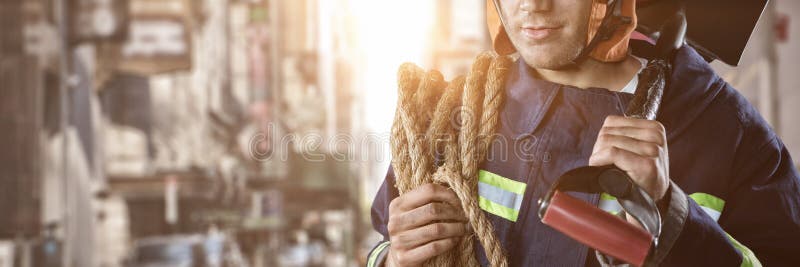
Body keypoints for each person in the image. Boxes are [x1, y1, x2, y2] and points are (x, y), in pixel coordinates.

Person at [367, 0, 800, 266]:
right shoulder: (448, 120)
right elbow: (385, 245)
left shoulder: (729, 134)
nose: (533, 4)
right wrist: (393, 261)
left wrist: (675, 221)